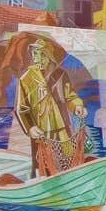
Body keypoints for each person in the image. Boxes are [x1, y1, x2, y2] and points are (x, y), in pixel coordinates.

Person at [14, 39, 87, 177]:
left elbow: (70, 97)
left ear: (49, 56)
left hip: (62, 127)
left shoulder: (61, 75)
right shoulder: (26, 79)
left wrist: (78, 106)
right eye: (34, 54)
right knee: (42, 164)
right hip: (41, 131)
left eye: (41, 54)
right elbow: (21, 108)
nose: (37, 58)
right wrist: (30, 127)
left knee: (68, 158)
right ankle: (42, 186)